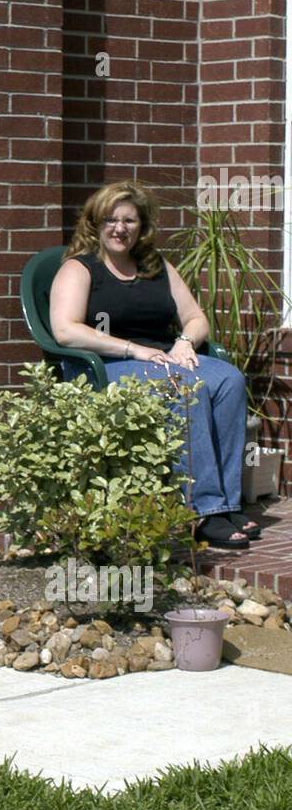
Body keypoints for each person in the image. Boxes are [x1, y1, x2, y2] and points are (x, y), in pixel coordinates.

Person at [49, 180, 261, 550]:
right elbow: (66, 331)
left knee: (229, 380)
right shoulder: (80, 269)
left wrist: (183, 341)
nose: (120, 228)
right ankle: (203, 510)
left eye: (129, 220)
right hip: (107, 364)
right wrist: (133, 349)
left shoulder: (156, 266)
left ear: (141, 227)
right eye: (111, 219)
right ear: (96, 224)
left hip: (164, 357)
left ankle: (228, 502)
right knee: (180, 385)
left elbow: (196, 318)